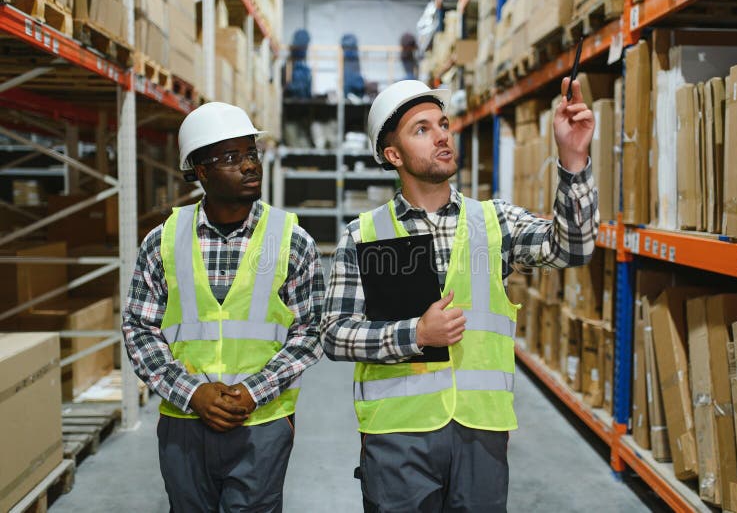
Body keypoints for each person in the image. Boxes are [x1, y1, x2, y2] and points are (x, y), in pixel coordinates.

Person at [321, 79, 598, 512]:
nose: (442, 135)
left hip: (480, 433)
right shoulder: (364, 235)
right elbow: (335, 335)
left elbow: (572, 248)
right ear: (393, 155)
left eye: (443, 124)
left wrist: (573, 159)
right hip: (397, 437)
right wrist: (415, 335)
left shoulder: (495, 220)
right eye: (422, 129)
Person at [122, 102, 324, 512]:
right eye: (232, 158)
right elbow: (139, 328)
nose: (250, 166)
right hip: (184, 421)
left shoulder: (292, 239)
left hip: (262, 422)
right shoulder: (162, 240)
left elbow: (311, 331)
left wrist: (254, 390)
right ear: (201, 171)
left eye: (252, 153)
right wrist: (191, 392)